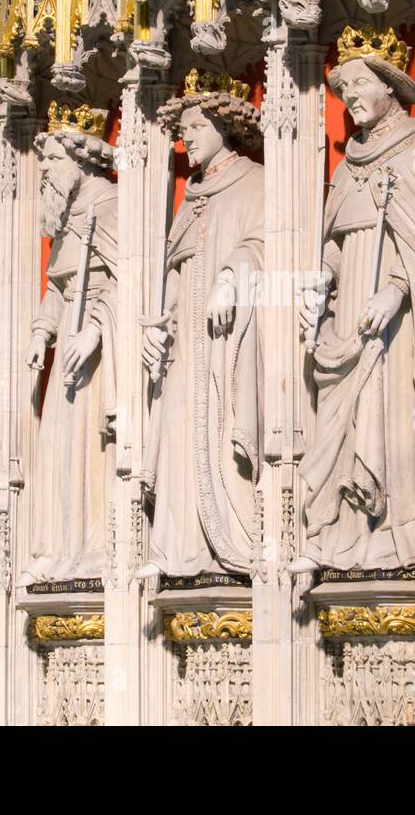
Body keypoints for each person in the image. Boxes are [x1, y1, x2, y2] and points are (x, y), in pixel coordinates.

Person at [291, 25, 415, 574]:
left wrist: (398, 290)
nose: (350, 97)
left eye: (358, 83)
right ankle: (339, 538)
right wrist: (318, 280)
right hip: (347, 311)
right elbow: (335, 238)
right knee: (337, 421)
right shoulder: (348, 166)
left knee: (389, 416)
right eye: (343, 87)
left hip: (391, 319)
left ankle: (399, 538)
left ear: (389, 87)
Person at [137, 70, 264, 579]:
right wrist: (156, 324)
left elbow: (268, 243)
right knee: (176, 429)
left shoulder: (255, 181)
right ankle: (178, 549)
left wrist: (234, 275)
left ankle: (234, 543)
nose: (186, 137)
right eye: (182, 128)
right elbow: (174, 268)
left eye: (195, 126)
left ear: (222, 126)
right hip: (182, 343)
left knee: (218, 423)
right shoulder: (190, 196)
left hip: (225, 339)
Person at [19, 105, 119, 586]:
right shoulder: (67, 219)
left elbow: (128, 281)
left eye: (53, 163)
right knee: (60, 451)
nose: (47, 176)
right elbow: (58, 287)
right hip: (67, 354)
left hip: (96, 355)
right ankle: (61, 546)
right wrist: (43, 330)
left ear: (81, 160)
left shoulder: (112, 205)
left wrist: (96, 330)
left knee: (91, 450)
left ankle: (95, 547)